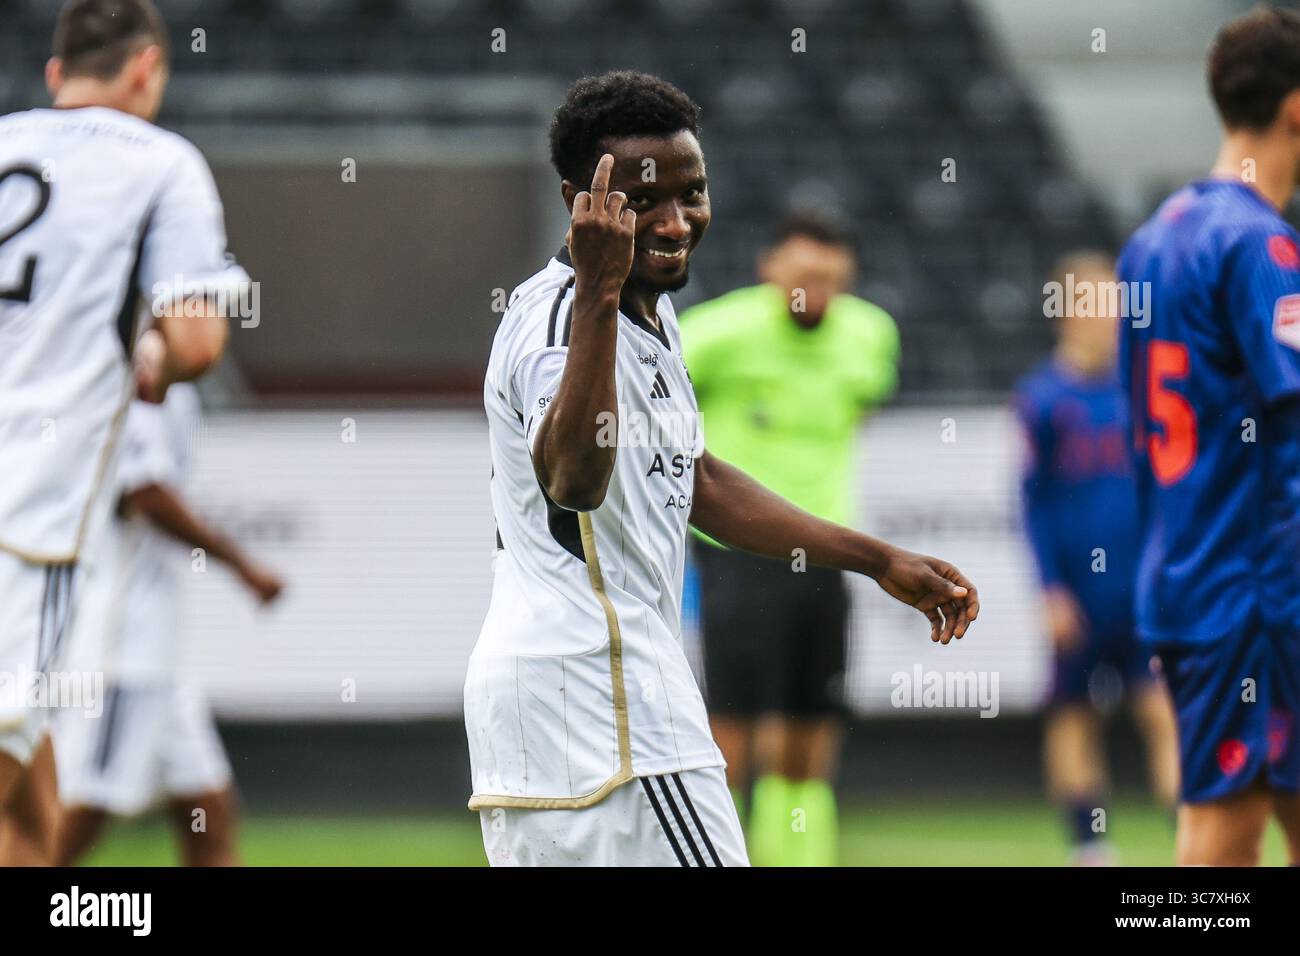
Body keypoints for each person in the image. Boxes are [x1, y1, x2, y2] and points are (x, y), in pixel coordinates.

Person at [464, 70, 978, 867]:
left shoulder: (648, 310)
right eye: (643, 201)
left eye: (693, 193)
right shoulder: (569, 318)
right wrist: (599, 295)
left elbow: (696, 479)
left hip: (565, 712)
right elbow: (572, 478)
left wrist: (877, 559)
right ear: (580, 201)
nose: (676, 222)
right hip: (608, 706)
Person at [0, 0, 241, 865]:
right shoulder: (162, 165)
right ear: (146, 70)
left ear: (56, 74)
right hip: (29, 519)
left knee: (30, 809)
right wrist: (151, 364)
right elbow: (197, 340)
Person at [1117, 6, 1300, 866]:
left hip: (1190, 574)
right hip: (1258, 588)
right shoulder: (1262, 244)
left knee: (1231, 816)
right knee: (1227, 836)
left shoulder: (1155, 238)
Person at [678, 214, 900, 866]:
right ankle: (721, 850)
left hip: (827, 556)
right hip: (738, 555)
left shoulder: (870, 334)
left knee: (812, 719)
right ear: (770, 271)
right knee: (733, 722)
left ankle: (799, 854)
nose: (815, 293)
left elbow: (864, 404)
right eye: (804, 278)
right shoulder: (717, 333)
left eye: (830, 280)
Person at [54, 386, 284, 866]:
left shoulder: (178, 395)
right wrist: (241, 564)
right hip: (121, 649)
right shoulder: (131, 383)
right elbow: (145, 492)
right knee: (80, 815)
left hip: (160, 655)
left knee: (208, 812)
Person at [1014, 251, 1178, 865]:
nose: (1107, 314)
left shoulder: (1146, 390)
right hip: (1077, 593)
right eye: (1092, 301)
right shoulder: (1042, 398)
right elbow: (1032, 505)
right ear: (1063, 311)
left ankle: (1192, 845)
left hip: (1145, 589)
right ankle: (1091, 849)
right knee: (1074, 715)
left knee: (1165, 713)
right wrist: (1050, 589)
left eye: (1114, 301)